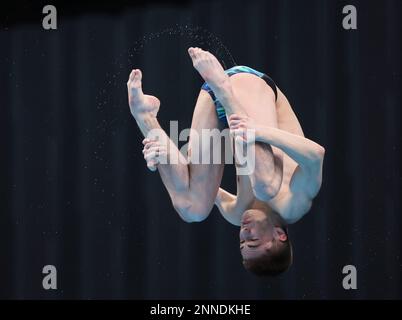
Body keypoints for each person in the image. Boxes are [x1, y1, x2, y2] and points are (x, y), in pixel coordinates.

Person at [127, 47, 325, 276]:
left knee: (194, 210)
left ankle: (146, 117)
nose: (244, 235)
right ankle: (224, 89)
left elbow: (191, 182)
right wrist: (258, 131)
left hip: (212, 98)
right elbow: (315, 155)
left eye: (242, 245)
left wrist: (164, 155)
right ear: (280, 235)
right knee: (266, 187)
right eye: (252, 243)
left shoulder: (235, 212)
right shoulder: (294, 203)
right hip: (247, 85)